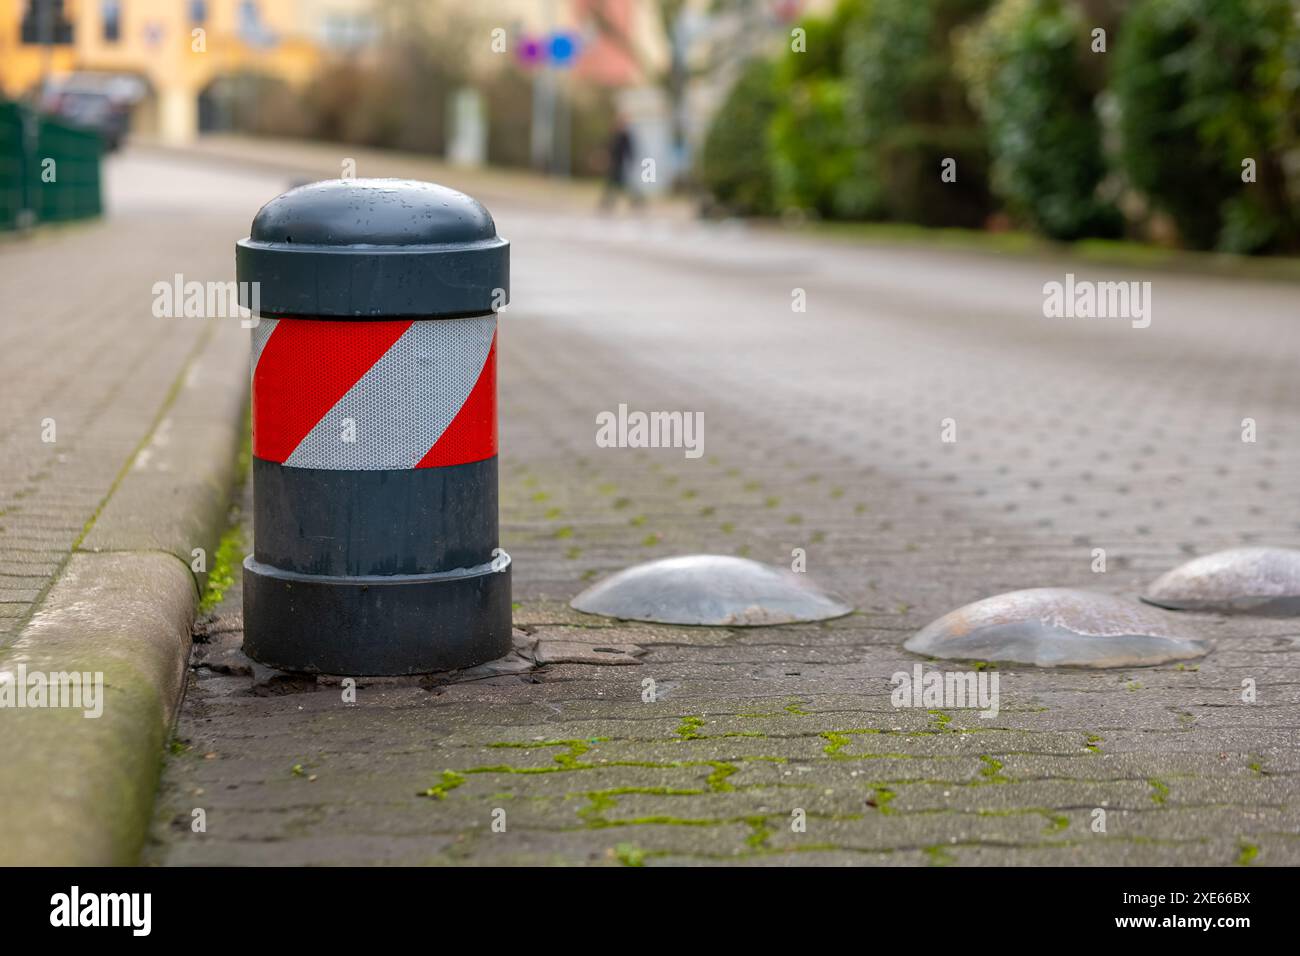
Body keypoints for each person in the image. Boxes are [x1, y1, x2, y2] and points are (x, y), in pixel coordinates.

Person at [600, 115, 643, 211]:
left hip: (621, 165)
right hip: (615, 164)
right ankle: (608, 203)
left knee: (619, 185)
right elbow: (611, 149)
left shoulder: (625, 136)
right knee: (614, 185)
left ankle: (636, 201)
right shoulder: (616, 135)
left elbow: (630, 151)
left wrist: (630, 162)